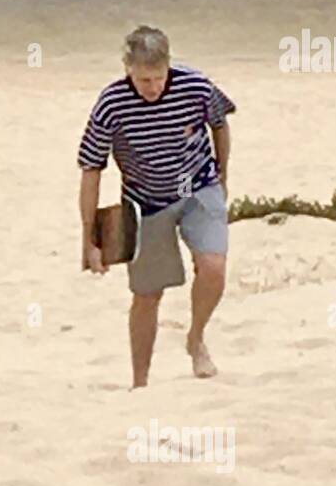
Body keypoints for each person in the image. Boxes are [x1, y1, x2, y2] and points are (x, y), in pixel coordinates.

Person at [78, 25, 235, 388]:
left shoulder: (195, 86)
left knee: (213, 267)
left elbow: (221, 124)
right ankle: (141, 382)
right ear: (128, 70)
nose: (152, 88)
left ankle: (195, 338)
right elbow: (91, 169)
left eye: (159, 78)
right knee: (147, 295)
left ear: (169, 66)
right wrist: (90, 239)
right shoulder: (111, 104)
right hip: (145, 203)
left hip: (199, 188)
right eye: (144, 79)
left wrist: (223, 178)